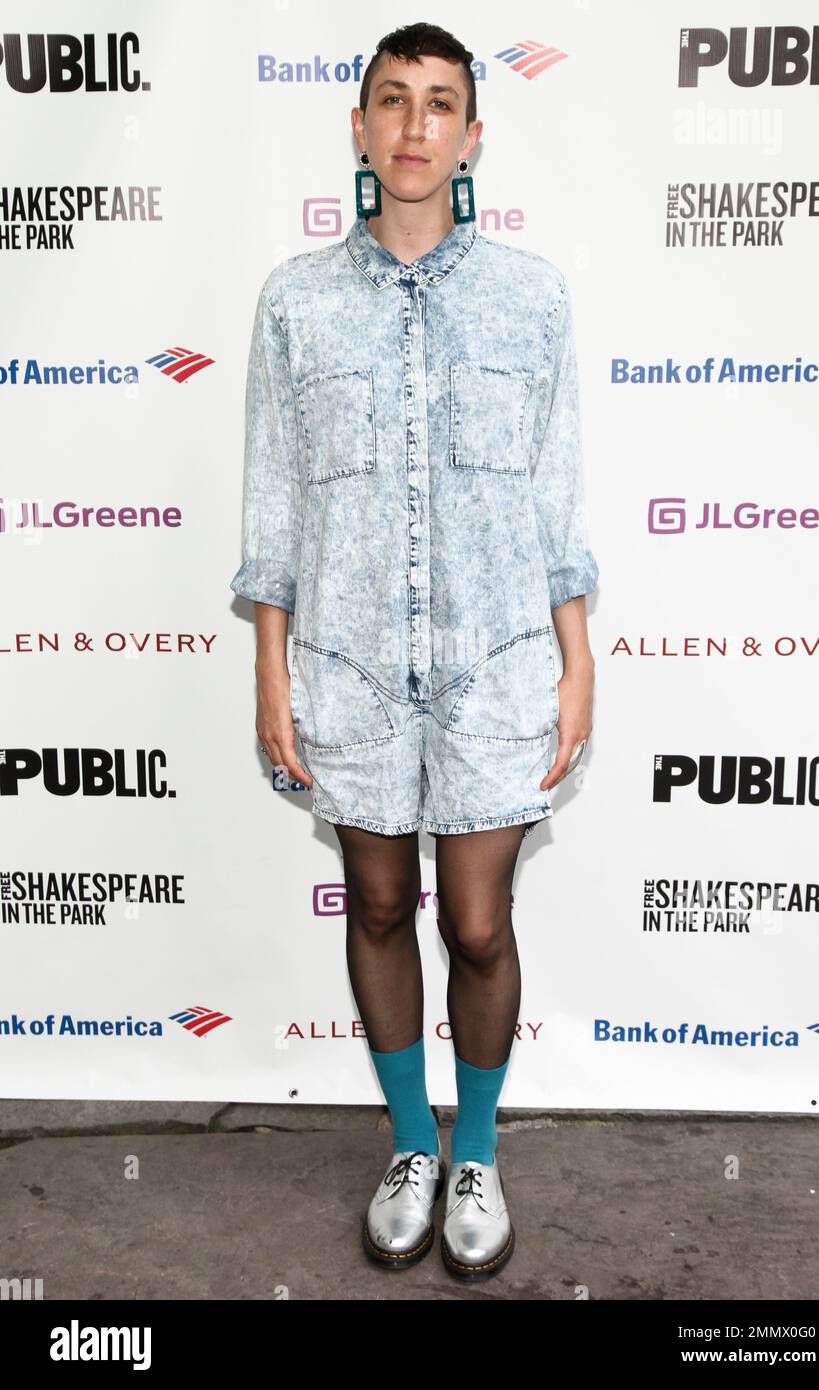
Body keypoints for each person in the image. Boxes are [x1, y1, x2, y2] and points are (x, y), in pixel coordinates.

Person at [229, 22, 599, 1281]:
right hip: (346, 664)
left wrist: (576, 656)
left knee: (480, 922)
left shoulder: (532, 296)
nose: (413, 126)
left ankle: (477, 1150)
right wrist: (270, 663)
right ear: (359, 129)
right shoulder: (293, 299)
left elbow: (555, 499)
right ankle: (408, 1140)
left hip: (499, 663)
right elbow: (274, 502)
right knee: (381, 900)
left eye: (439, 105)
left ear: (472, 137)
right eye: (391, 102)